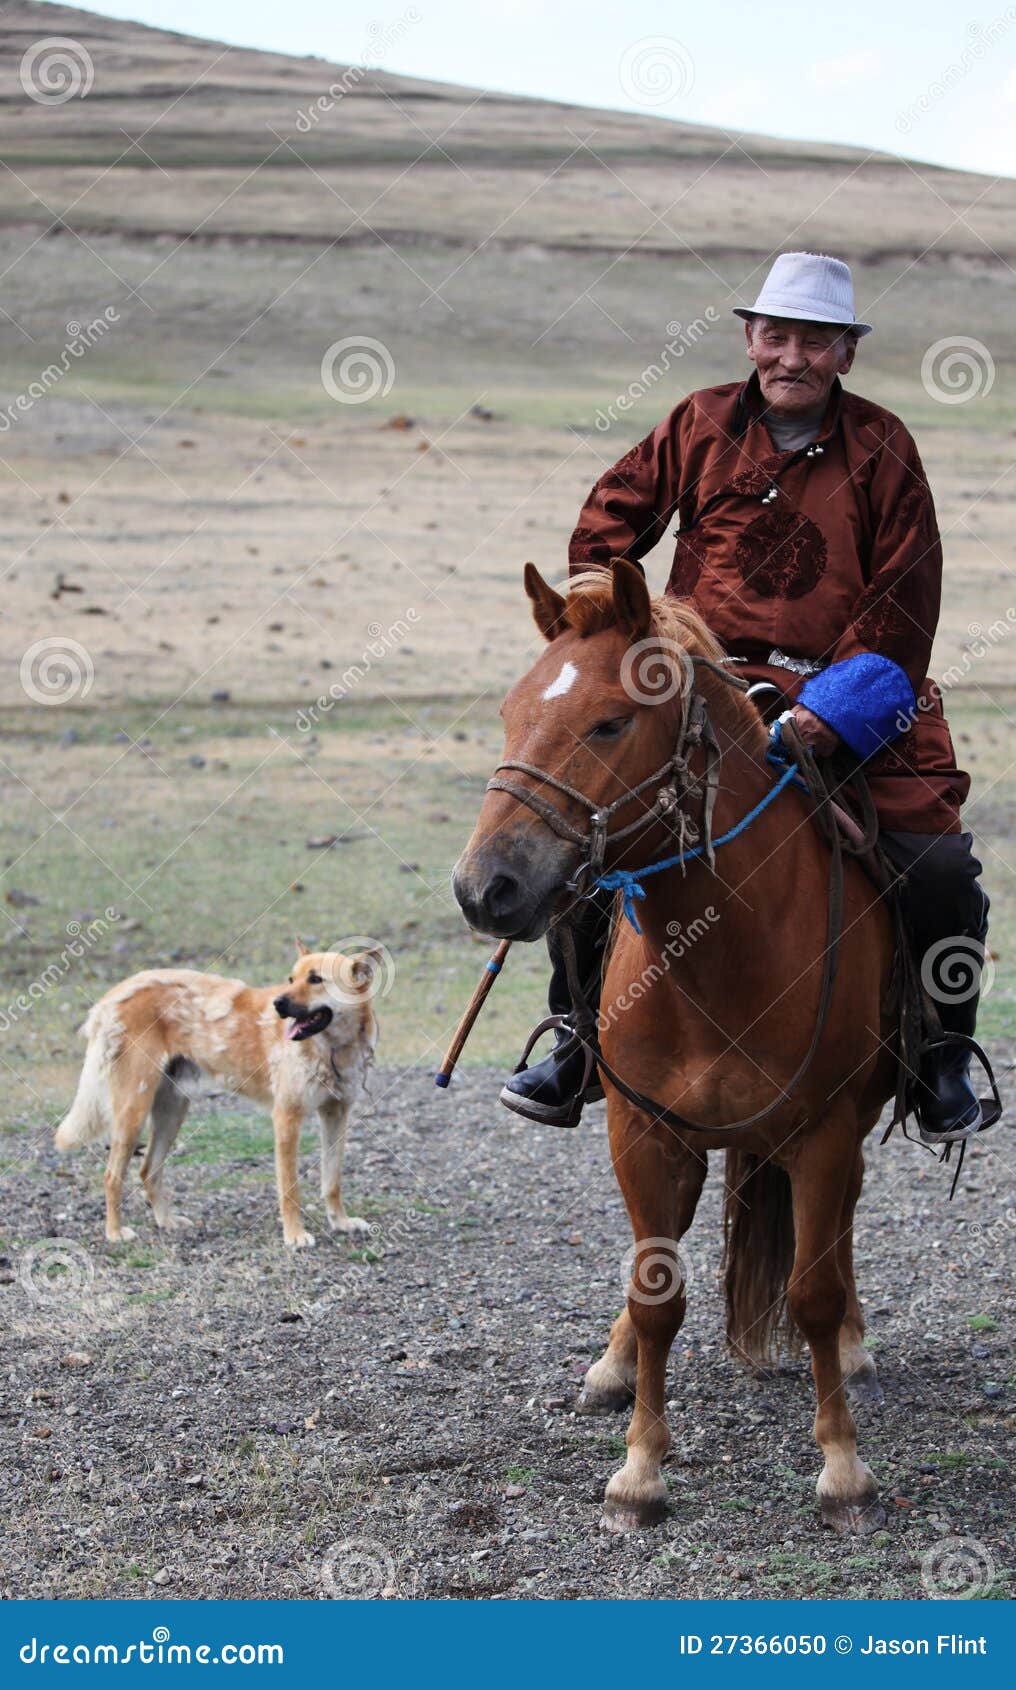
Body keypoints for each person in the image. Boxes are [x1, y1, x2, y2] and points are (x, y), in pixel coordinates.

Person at [501, 252, 991, 1147]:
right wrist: (622, 623)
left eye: (815, 341)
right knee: (597, 830)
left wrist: (826, 712)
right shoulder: (698, 422)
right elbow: (610, 520)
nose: (791, 356)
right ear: (750, 339)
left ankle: (944, 1056)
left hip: (844, 688)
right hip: (702, 683)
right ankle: (577, 1037)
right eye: (777, 336)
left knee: (941, 870)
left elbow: (905, 601)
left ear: (846, 353)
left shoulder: (884, 449)